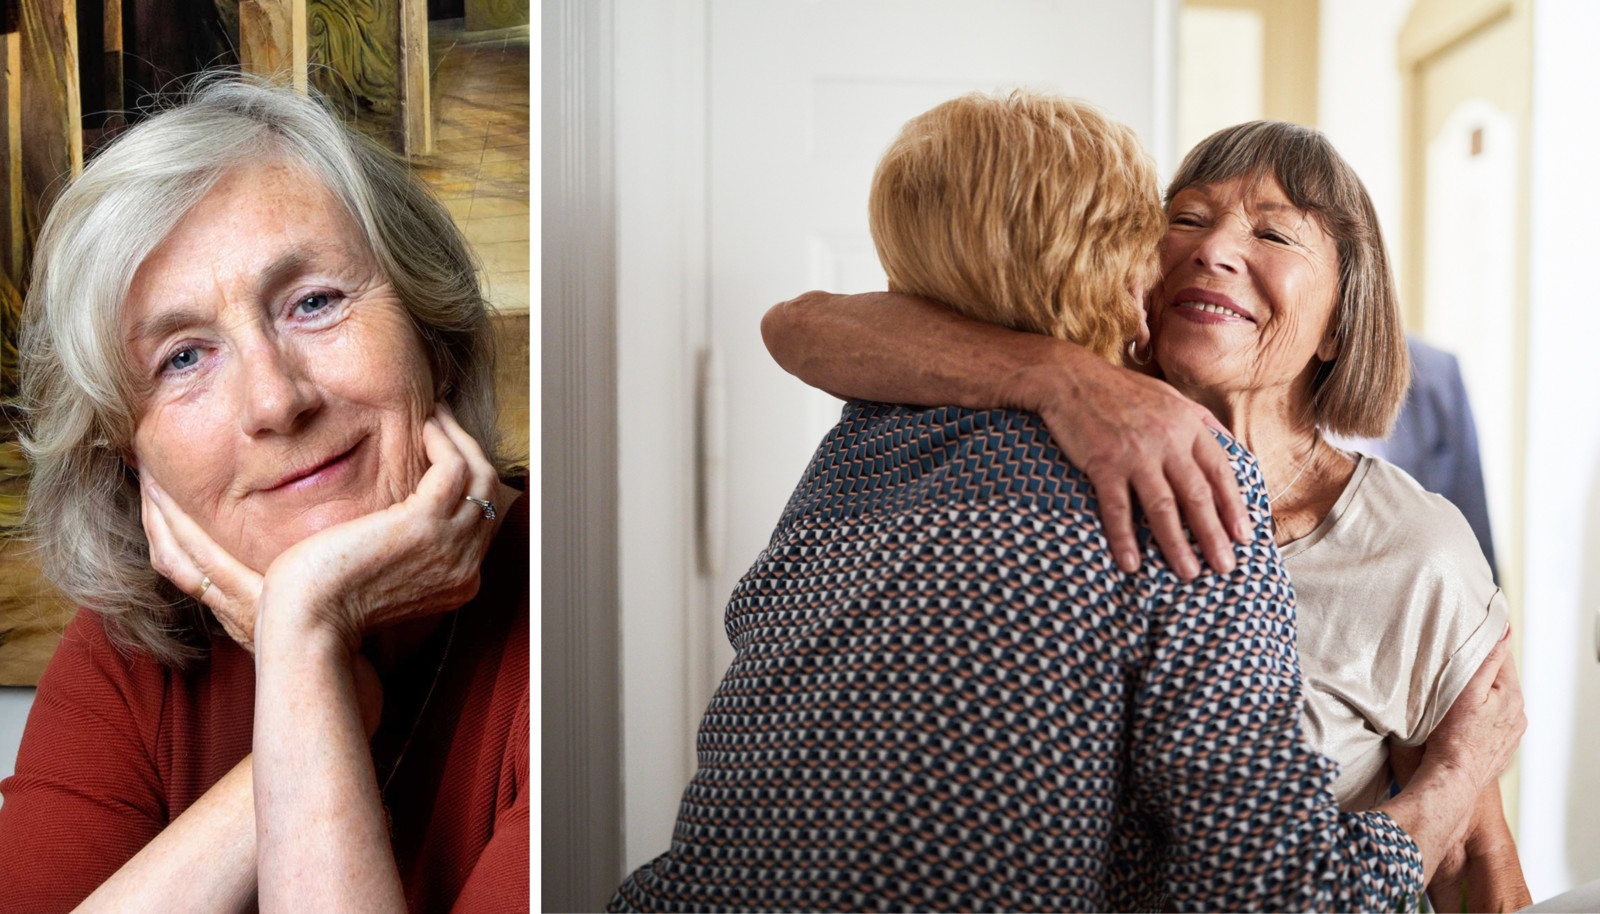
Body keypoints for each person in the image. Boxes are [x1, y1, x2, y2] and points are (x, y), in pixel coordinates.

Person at [612, 91, 1522, 912]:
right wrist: (1056, 376)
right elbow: (800, 322)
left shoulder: (1414, 553)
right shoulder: (980, 422)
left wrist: (1461, 771)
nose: (1213, 248)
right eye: (1184, 221)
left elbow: (1484, 876)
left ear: (1343, 318)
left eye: (1275, 235)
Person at [0, 78, 529, 912]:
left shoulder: (582, 623)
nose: (277, 402)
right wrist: (315, 681)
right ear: (127, 456)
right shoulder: (126, 666)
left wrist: (302, 627)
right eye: (183, 358)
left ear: (438, 339)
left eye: (314, 302)